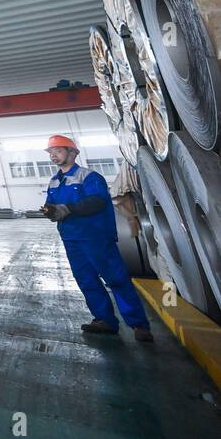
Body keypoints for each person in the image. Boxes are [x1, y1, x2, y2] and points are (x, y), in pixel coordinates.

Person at [42, 135, 153, 342]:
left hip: (96, 237)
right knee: (86, 279)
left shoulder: (89, 177)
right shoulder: (55, 181)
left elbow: (98, 202)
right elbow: (52, 203)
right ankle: (105, 320)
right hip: (71, 239)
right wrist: (50, 211)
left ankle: (139, 324)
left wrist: (68, 209)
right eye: (50, 152)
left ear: (72, 152)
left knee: (115, 279)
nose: (53, 155)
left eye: (57, 150)